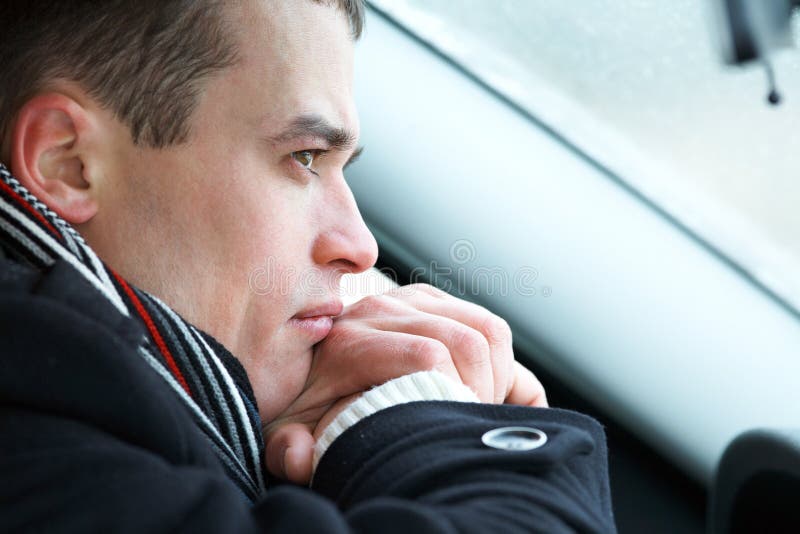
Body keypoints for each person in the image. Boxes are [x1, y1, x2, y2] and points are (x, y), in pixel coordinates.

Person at [0, 1, 616, 532]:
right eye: (303, 156)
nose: (360, 246)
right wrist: (410, 419)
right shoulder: (33, 428)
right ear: (69, 163)